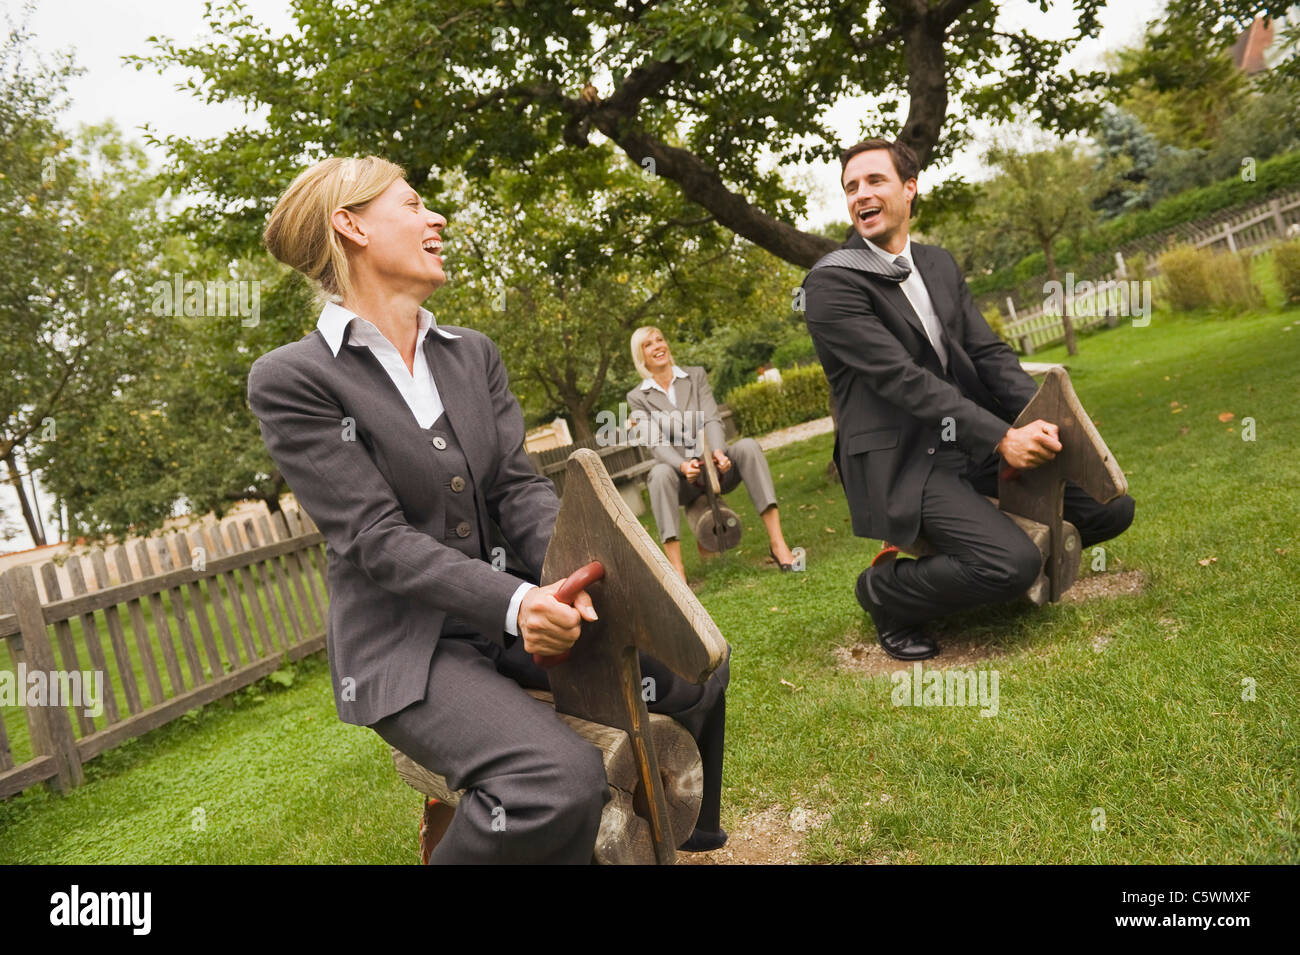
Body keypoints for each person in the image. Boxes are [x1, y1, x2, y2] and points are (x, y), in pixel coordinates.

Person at [246, 156, 729, 862]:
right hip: (410, 651)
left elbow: (517, 489)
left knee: (694, 659)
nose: (434, 217)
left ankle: (693, 834)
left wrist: (582, 583)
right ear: (350, 226)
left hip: (508, 618)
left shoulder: (471, 355)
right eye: (411, 204)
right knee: (555, 783)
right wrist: (517, 604)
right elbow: (375, 539)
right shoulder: (293, 379)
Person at [802, 138, 1135, 661]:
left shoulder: (937, 264)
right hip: (904, 460)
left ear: (910, 189)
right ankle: (885, 593)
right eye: (851, 187)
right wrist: (1002, 438)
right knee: (1013, 564)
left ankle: (981, 558)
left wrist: (1046, 423)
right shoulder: (831, 284)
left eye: (874, 181)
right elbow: (902, 379)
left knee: (1110, 510)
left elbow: (989, 353)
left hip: (969, 442)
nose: (860, 194)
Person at [625, 326, 798, 580]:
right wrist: (682, 466)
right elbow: (655, 442)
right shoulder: (637, 397)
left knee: (748, 446)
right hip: (682, 479)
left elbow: (711, 419)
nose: (658, 346)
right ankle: (677, 569)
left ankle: (778, 544)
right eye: (648, 344)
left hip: (717, 467)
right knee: (659, 473)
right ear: (641, 356)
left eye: (660, 339)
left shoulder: (695, 376)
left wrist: (718, 453)